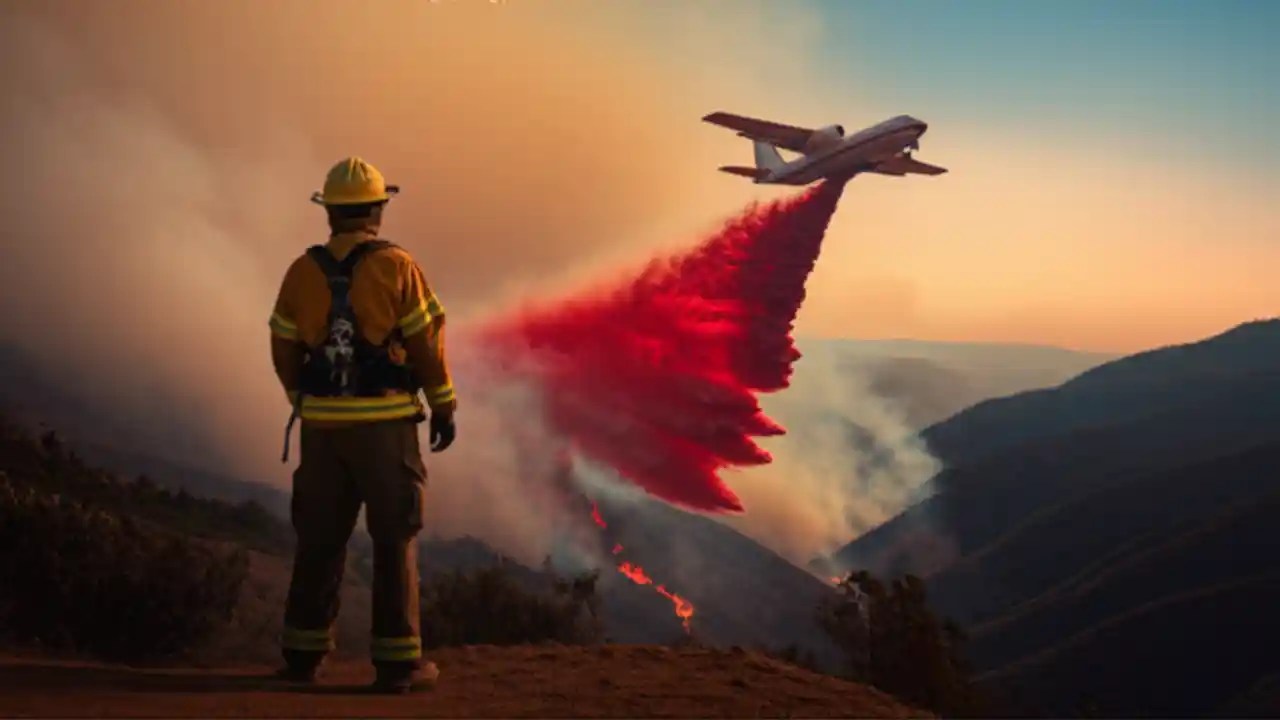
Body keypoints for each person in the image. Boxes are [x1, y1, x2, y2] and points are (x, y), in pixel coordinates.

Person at [267, 156, 457, 693]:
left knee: (320, 537)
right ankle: (398, 665)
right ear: (376, 209)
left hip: (322, 431)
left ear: (329, 212)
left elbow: (282, 344)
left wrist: (303, 398)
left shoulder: (300, 272)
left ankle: (302, 657)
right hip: (386, 428)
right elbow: (425, 342)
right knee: (395, 537)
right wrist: (443, 404)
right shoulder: (399, 267)